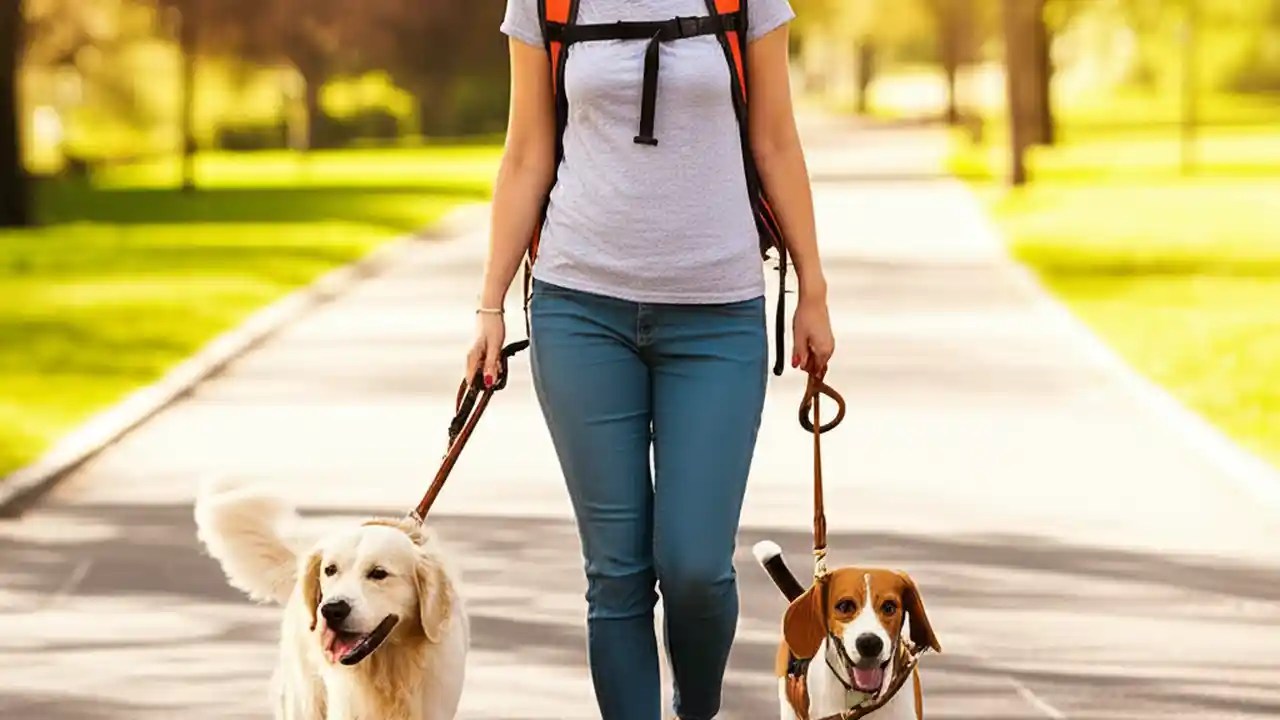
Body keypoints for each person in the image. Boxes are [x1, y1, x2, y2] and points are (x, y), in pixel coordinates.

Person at [465, 1, 834, 718]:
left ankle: (696, 708)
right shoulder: (546, 2)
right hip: (579, 309)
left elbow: (777, 142)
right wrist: (490, 303)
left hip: (718, 315)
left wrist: (813, 288)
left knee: (696, 567)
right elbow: (526, 155)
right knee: (617, 575)